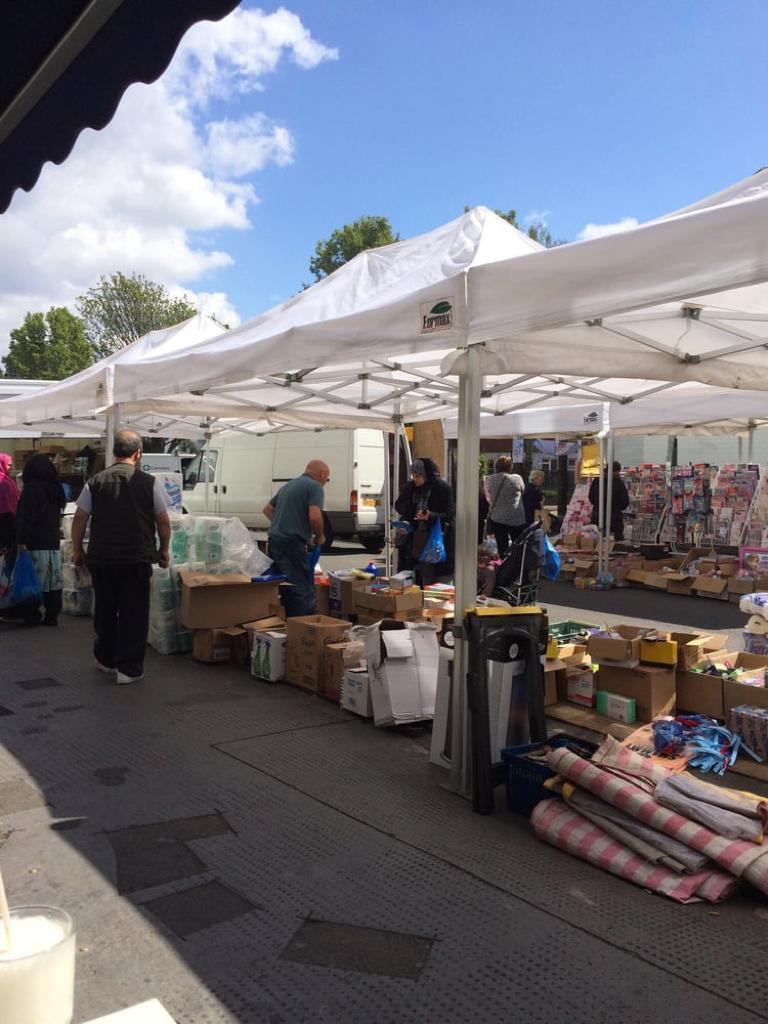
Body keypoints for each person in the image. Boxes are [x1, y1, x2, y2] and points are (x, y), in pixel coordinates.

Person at [72, 429, 171, 684]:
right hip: (136, 558)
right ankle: (128, 668)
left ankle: (106, 659)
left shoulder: (94, 482)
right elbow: (163, 520)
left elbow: (80, 517)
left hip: (102, 558)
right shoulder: (149, 482)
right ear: (138, 454)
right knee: (133, 612)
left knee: (106, 608)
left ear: (115, 452)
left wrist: (77, 549)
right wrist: (164, 550)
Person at [263, 460, 329, 617]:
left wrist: (283, 524)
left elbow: (267, 510)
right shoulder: (314, 487)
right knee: (301, 588)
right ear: (321, 475)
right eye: (327, 479)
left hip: (275, 540)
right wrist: (319, 535)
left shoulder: (289, 485)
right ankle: (303, 628)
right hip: (291, 543)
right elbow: (314, 516)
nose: (326, 482)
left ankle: (285, 623)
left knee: (285, 586)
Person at [15, 455, 66, 626]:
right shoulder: (56, 488)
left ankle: (32, 615)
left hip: (35, 541)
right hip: (52, 541)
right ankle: (52, 615)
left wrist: (21, 539)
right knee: (52, 581)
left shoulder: (31, 489)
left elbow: (27, 517)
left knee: (33, 579)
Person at [394, 457, 454, 585]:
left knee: (438, 580)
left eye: (418, 476)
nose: (415, 479)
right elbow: (399, 506)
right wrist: (406, 522)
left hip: (437, 539)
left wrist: (430, 515)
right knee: (421, 576)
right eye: (413, 476)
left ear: (427, 475)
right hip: (416, 539)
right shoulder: (411, 488)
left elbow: (449, 514)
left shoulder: (442, 488)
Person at [483, 456, 525, 558]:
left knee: (502, 546)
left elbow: (488, 495)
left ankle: (505, 569)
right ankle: (517, 568)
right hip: (516, 518)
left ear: (496, 467)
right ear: (510, 467)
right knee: (518, 546)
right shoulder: (517, 478)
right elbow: (523, 492)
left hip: (498, 518)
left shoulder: (490, 480)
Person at [589, 461, 630, 541]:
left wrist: (598, 505)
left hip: (597, 518)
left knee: (598, 543)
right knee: (615, 545)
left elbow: (591, 497)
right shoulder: (618, 483)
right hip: (614, 521)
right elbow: (624, 502)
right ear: (616, 471)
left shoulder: (597, 481)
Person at [0, 452, 19, 556]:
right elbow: (5, 511)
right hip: (5, 528)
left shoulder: (8, 480)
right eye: (9, 465)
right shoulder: (3, 482)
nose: (11, 468)